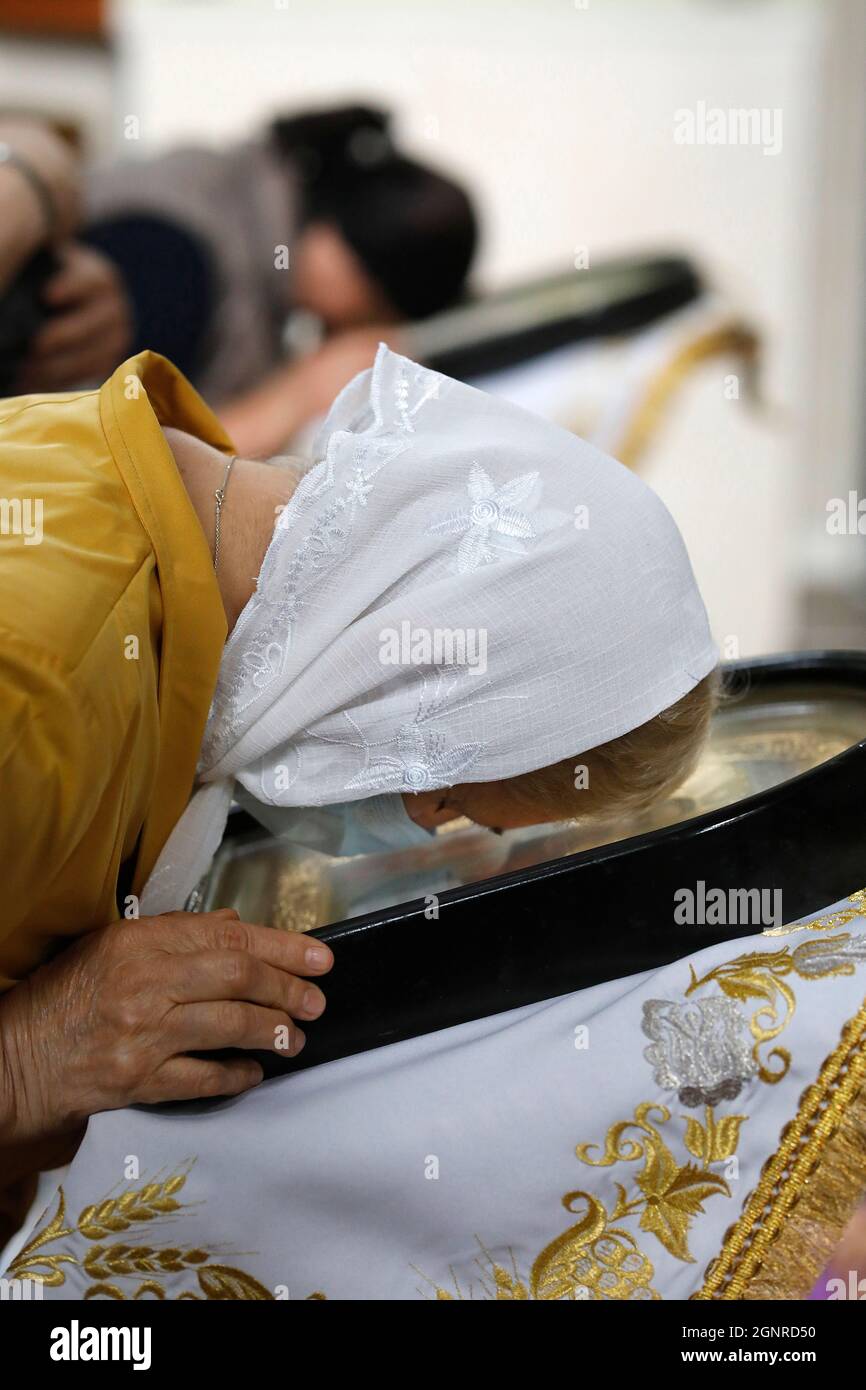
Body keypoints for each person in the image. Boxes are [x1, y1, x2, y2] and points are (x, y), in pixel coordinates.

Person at [0, 343, 717, 1242]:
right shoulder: (42, 695)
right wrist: (30, 1060)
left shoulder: (156, 504)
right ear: (432, 689)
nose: (417, 826)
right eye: (453, 798)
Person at [13, 104, 478, 451]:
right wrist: (300, 393)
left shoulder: (238, 187)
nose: (359, 328)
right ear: (352, 263)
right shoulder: (182, 264)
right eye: (376, 311)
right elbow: (115, 469)